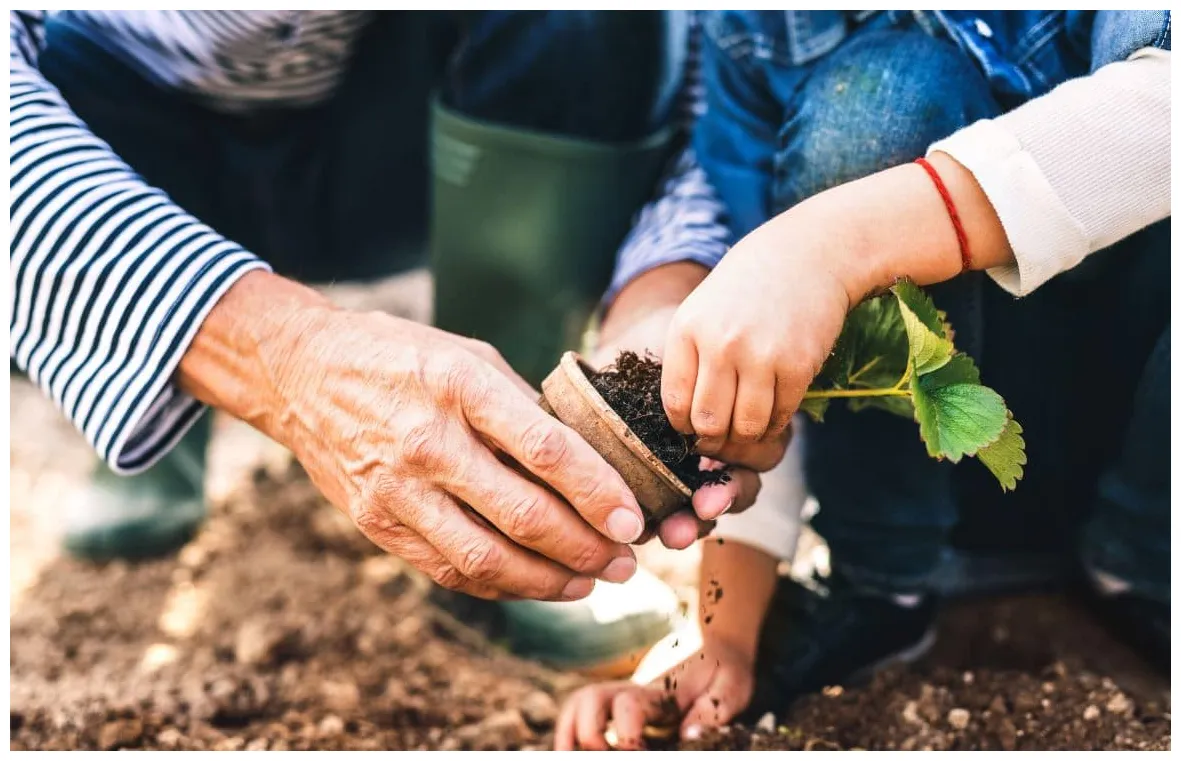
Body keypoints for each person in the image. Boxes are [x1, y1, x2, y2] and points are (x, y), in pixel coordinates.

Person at [556, 10, 1169, 749]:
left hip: (1134, 436)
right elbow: (752, 332)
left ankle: (1148, 565)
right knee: (879, 96)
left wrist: (834, 244)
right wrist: (724, 637)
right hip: (912, 517)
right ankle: (882, 584)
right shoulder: (756, 28)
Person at [11, 11, 763, 605]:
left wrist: (661, 286)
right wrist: (279, 353)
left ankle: (515, 479)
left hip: (402, 142)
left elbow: (716, 71)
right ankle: (144, 421)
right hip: (122, 125)